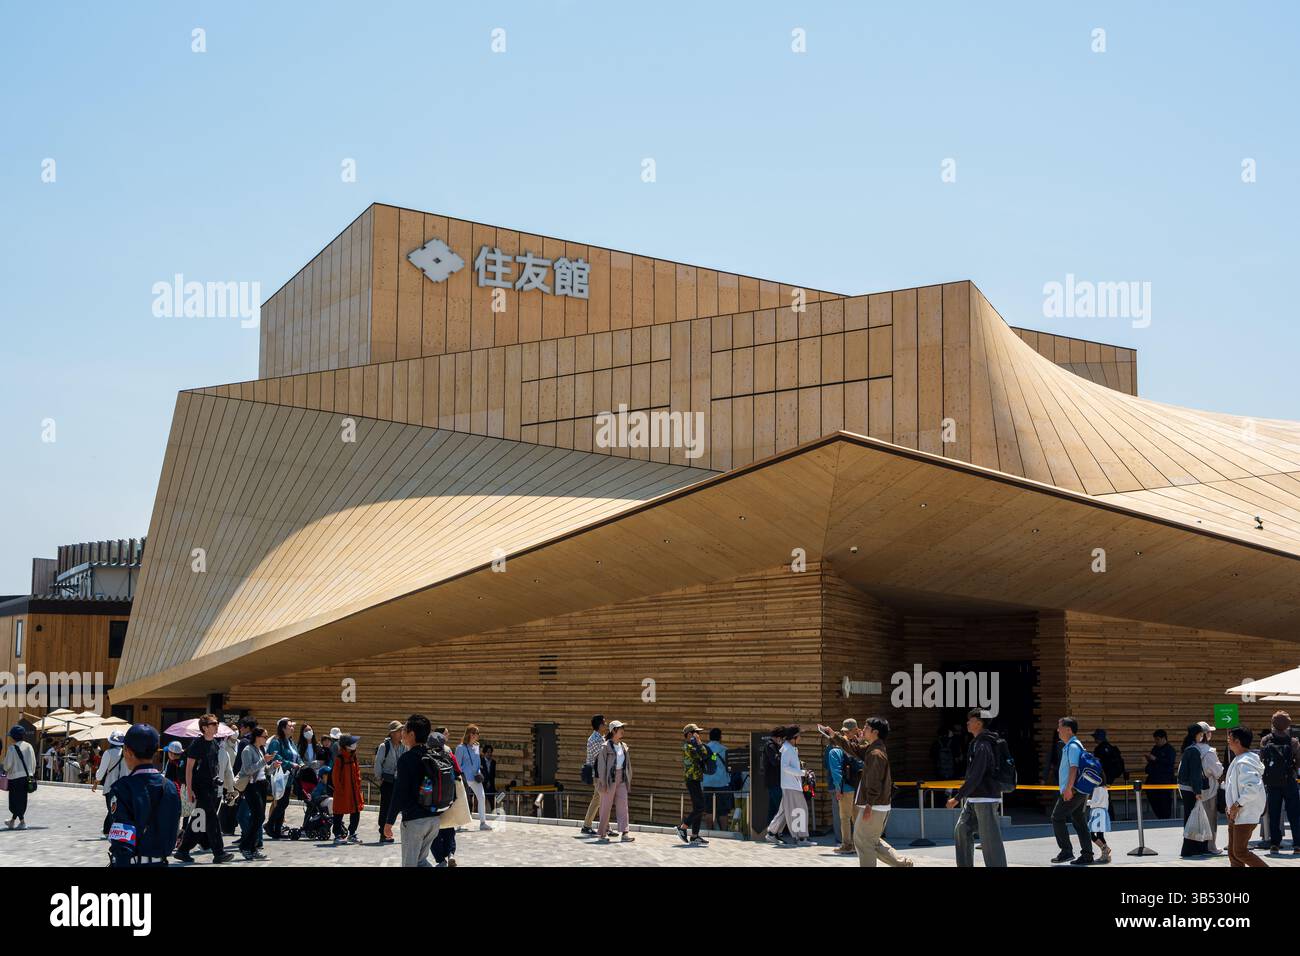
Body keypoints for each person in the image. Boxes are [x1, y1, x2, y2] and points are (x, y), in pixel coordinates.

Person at [822, 718, 913, 867]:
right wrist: (834, 735)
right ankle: (903, 864)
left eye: (866, 727)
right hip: (874, 804)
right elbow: (854, 749)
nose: (862, 729)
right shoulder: (872, 748)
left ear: (875, 732)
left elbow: (874, 782)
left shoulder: (876, 753)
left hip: (874, 805)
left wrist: (869, 805)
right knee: (869, 841)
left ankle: (903, 863)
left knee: (863, 843)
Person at [107, 724, 182, 866]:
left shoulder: (122, 788)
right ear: (155, 752)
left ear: (127, 751)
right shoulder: (171, 787)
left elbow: (123, 842)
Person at [947, 708, 1007, 868]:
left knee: (989, 840)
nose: (967, 722)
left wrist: (958, 797)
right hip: (975, 797)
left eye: (970, 720)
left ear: (979, 723)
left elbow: (976, 774)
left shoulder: (983, 745)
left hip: (986, 797)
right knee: (962, 830)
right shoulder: (977, 742)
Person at [175, 714, 233, 864]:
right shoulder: (196, 745)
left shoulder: (214, 743)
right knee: (212, 819)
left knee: (199, 819)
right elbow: (189, 769)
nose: (216, 726)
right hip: (200, 788)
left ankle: (182, 850)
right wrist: (189, 790)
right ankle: (219, 853)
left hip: (212, 787)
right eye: (213, 724)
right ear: (205, 728)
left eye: (217, 723)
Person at [391, 714, 439, 866]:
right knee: (421, 861)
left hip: (414, 821)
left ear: (411, 734)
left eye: (404, 730)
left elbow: (399, 792)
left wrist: (388, 821)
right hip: (434, 820)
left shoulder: (406, 758)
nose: (402, 734)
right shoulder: (434, 755)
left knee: (410, 863)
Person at [1049, 716, 1093, 865]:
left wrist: (1068, 789)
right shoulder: (1072, 745)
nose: (1058, 730)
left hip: (1073, 790)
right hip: (1079, 790)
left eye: (1060, 727)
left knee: (1057, 817)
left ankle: (1066, 851)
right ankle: (1087, 855)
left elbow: (1074, 768)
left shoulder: (1073, 746)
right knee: (1079, 821)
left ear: (1068, 729)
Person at [1225, 725, 1267, 868]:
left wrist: (1237, 805)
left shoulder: (1245, 762)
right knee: (1233, 853)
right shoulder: (1240, 759)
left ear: (1237, 741)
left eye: (1229, 738)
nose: (1228, 741)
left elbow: (1252, 788)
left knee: (1240, 852)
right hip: (1236, 813)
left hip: (1245, 813)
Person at [1259, 711, 1300, 854]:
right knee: (1294, 814)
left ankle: (1275, 844)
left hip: (1272, 782)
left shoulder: (1266, 740)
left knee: (1274, 813)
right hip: (1289, 781)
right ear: (1288, 725)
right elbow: (1298, 762)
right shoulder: (1293, 742)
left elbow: (1261, 759)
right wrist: (1292, 769)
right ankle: (1297, 844)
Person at [765, 725, 811, 846]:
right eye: (799, 736)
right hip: (791, 785)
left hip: (791, 785)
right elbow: (784, 767)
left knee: (785, 811)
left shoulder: (790, 748)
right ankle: (800, 838)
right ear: (794, 737)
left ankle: (771, 833)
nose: (800, 738)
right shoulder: (787, 749)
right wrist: (802, 773)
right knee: (799, 810)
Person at [1178, 722, 1217, 857]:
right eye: (1201, 734)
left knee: (1192, 816)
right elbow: (1195, 773)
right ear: (1197, 735)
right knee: (1192, 817)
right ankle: (1190, 848)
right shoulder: (1194, 750)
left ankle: (1197, 847)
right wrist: (1198, 791)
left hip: (1185, 787)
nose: (1203, 736)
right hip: (1191, 789)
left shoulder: (1189, 748)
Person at [236, 726, 274, 861]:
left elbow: (264, 770)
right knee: (258, 817)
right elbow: (247, 770)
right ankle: (246, 846)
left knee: (258, 817)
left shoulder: (260, 749)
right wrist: (264, 760)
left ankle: (252, 847)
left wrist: (272, 767)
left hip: (262, 785)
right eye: (264, 736)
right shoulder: (247, 750)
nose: (266, 738)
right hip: (251, 786)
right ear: (257, 737)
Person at [595, 720, 633, 843]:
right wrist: (603, 782)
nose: (622, 730)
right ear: (613, 731)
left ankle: (625, 833)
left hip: (621, 778)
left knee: (623, 805)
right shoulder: (605, 747)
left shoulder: (624, 746)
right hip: (609, 779)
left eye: (623, 728)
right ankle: (602, 833)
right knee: (606, 806)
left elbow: (627, 765)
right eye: (620, 728)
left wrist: (628, 779)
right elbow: (601, 766)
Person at [826, 718, 860, 854]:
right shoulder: (856, 747)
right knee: (856, 818)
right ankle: (859, 844)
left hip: (845, 788)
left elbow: (836, 773)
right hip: (857, 788)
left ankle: (847, 845)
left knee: (845, 818)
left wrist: (838, 789)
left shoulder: (834, 751)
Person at [265, 717, 301, 839]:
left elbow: (297, 756)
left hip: (289, 777)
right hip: (280, 775)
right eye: (290, 726)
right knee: (282, 802)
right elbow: (276, 757)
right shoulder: (276, 741)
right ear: (283, 728)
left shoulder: (291, 742)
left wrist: (301, 764)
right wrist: (291, 764)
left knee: (283, 803)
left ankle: (276, 829)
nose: (292, 728)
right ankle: (270, 825)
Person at [429, 730, 462, 866]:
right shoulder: (449, 756)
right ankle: (450, 853)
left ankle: (440, 860)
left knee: (432, 832)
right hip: (448, 801)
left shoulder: (426, 758)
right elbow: (459, 772)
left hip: (431, 804)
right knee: (449, 828)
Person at [677, 723, 712, 846]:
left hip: (696, 779)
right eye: (697, 733)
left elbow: (705, 755)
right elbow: (703, 754)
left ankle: (695, 835)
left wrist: (698, 743)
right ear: (690, 734)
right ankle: (683, 827)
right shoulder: (688, 747)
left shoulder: (692, 746)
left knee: (699, 807)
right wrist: (699, 742)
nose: (699, 735)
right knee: (699, 807)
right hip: (692, 780)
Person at [454, 724, 492, 831]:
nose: (477, 735)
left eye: (478, 733)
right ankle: (459, 824)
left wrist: (479, 772)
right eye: (475, 733)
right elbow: (457, 764)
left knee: (482, 797)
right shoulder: (460, 748)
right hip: (464, 778)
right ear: (470, 734)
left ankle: (483, 823)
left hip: (476, 778)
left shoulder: (476, 747)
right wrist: (459, 777)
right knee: (462, 801)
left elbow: (477, 762)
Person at [91, 731, 129, 837]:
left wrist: (96, 782)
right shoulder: (128, 752)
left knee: (111, 808)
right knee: (117, 808)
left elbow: (102, 771)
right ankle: (109, 830)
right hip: (124, 786)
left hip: (111, 785)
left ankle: (109, 831)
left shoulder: (108, 753)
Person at [374, 720, 405, 843]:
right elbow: (378, 764)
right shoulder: (384, 746)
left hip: (400, 781)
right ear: (392, 733)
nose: (401, 733)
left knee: (402, 807)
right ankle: (383, 832)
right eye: (398, 731)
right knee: (386, 807)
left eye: (401, 730)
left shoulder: (404, 746)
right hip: (387, 781)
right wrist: (379, 778)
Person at [331, 733, 364, 844]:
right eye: (352, 743)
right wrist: (340, 790)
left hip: (354, 790)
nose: (355, 744)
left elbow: (357, 771)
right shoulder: (340, 758)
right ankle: (337, 835)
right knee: (339, 812)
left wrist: (358, 783)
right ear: (346, 745)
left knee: (356, 811)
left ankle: (352, 834)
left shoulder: (353, 757)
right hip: (343, 791)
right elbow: (335, 777)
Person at [3, 725, 35, 830]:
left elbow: (7, 765)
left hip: (15, 778)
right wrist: (31, 774)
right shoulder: (29, 746)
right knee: (21, 800)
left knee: (14, 801)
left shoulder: (12, 748)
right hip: (27, 777)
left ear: (13, 737)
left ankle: (22, 822)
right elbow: (33, 762)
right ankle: (12, 821)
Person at [581, 714, 607, 835]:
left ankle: (605, 826)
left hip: (600, 773)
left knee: (602, 799)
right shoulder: (595, 739)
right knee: (598, 799)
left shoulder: (600, 737)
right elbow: (601, 757)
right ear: (600, 725)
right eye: (604, 723)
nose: (606, 725)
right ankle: (587, 825)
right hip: (597, 774)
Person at [1144, 730, 1177, 819]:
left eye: (1158, 739)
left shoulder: (1170, 750)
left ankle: (1165, 818)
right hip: (1153, 779)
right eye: (1155, 739)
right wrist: (1149, 759)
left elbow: (1169, 763)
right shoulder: (1155, 748)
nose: (1156, 741)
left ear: (1163, 738)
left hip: (1164, 780)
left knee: (1164, 800)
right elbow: (1153, 762)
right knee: (1153, 798)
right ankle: (1160, 816)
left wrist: (1156, 759)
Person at [702, 728, 732, 828]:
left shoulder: (704, 749)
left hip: (707, 783)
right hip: (722, 783)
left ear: (709, 737)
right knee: (723, 811)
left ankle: (709, 831)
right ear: (720, 737)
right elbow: (730, 767)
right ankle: (724, 831)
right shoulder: (724, 750)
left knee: (708, 810)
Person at [761, 727, 784, 834]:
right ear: (778, 737)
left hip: (775, 781)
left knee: (773, 808)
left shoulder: (773, 745)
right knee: (779, 807)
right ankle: (774, 831)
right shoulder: (770, 746)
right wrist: (782, 752)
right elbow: (775, 762)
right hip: (774, 781)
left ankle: (770, 830)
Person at [1087, 780, 1112, 864]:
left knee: (1091, 834)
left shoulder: (1098, 789)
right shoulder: (1104, 788)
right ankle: (1105, 853)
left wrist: (1085, 802)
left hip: (1098, 812)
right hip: (1101, 812)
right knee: (1099, 835)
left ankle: (1105, 849)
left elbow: (1096, 802)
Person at [481, 744, 498, 813]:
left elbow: (493, 774)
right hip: (483, 785)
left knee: (492, 803)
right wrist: (486, 781)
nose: (489, 754)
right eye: (488, 752)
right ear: (484, 753)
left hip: (491, 785)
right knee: (482, 802)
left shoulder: (493, 762)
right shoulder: (481, 761)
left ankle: (493, 816)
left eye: (490, 752)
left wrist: (490, 782)